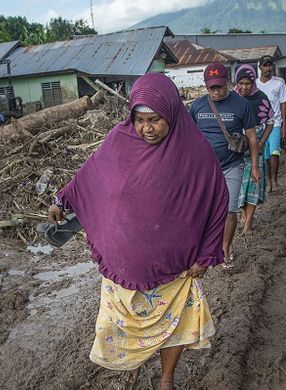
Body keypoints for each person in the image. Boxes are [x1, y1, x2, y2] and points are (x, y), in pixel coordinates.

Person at [48, 73, 228, 389]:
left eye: (155, 120)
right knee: (122, 324)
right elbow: (91, 174)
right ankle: (130, 368)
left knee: (177, 324)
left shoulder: (196, 154)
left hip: (176, 268)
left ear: (172, 113)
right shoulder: (120, 140)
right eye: (140, 120)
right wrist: (63, 198)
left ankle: (166, 378)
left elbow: (217, 204)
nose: (146, 128)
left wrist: (207, 254)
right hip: (124, 261)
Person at [189, 62, 260, 268]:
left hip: (232, 165)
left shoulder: (242, 105)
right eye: (212, 88)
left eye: (219, 86)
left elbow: (252, 137)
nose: (216, 91)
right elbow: (187, 136)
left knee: (230, 210)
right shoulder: (197, 106)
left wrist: (255, 166)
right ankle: (204, 246)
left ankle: (225, 249)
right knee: (204, 210)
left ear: (227, 83)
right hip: (204, 169)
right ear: (206, 86)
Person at [234, 65, 273, 234]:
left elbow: (270, 122)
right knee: (239, 185)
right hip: (236, 150)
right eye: (241, 83)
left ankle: (248, 223)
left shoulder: (261, 98)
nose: (244, 87)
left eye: (248, 83)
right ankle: (243, 214)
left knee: (253, 183)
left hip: (256, 149)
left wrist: (261, 142)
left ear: (253, 82)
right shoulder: (231, 99)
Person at [256, 55, 286, 192]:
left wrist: (284, 125)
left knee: (274, 153)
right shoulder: (255, 84)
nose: (268, 68)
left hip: (275, 123)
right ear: (260, 67)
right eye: (265, 65)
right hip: (260, 125)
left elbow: (283, 104)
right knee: (265, 156)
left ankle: (275, 180)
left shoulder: (279, 84)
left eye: (270, 65)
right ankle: (268, 180)